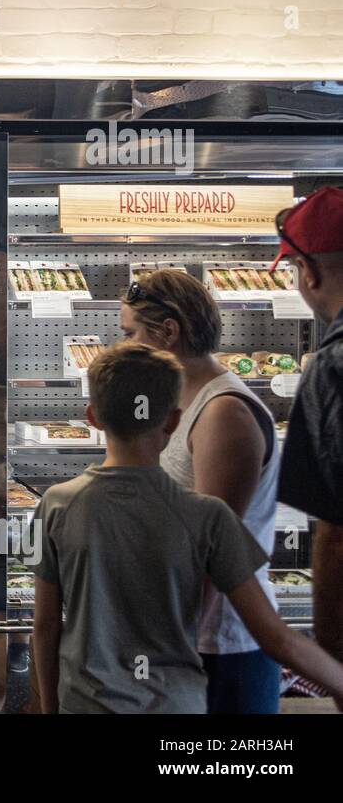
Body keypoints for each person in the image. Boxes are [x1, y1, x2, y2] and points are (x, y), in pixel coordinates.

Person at [31, 342, 343, 713]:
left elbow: (46, 625)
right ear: (174, 420)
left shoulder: (55, 505)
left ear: (92, 417)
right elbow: (277, 638)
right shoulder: (209, 516)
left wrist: (49, 706)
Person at [120, 267, 282, 713]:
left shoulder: (223, 414)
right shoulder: (183, 403)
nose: (122, 347)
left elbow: (210, 555)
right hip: (184, 640)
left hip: (216, 649)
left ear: (168, 332)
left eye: (130, 334)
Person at [272, 186, 343, 666]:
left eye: (295, 270)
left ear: (310, 272)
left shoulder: (333, 365)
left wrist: (332, 651)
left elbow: (336, 531)